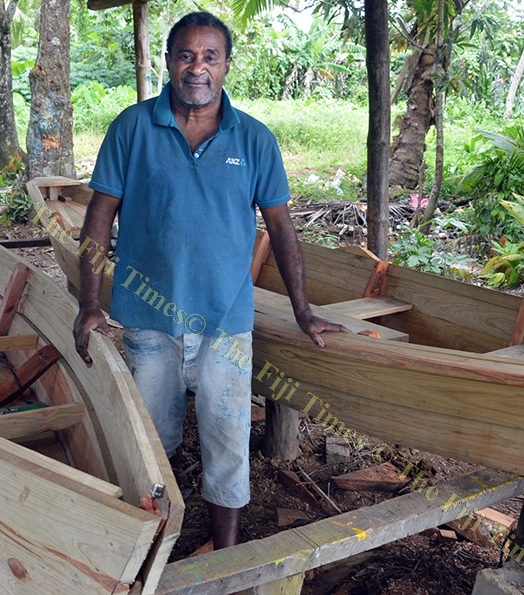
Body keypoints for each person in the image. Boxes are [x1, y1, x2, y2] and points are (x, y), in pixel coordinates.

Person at [72, 11, 346, 564]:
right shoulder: (132, 128)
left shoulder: (254, 138)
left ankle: (224, 559)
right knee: (154, 442)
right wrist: (89, 304)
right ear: (170, 62)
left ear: (225, 66)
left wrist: (303, 311)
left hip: (225, 323)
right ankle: (151, 548)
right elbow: (99, 219)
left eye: (210, 56)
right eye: (186, 56)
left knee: (226, 444)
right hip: (149, 320)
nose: (197, 68)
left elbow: (282, 229)